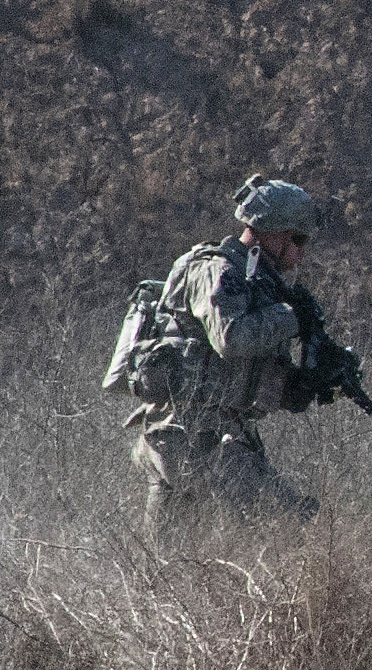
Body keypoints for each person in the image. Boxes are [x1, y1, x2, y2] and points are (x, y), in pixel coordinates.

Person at [126, 173, 328, 534]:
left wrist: (303, 384)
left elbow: (240, 375)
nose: (301, 252)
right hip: (188, 437)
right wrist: (292, 316)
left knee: (168, 569)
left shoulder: (260, 285)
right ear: (270, 232)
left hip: (212, 436)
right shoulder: (218, 270)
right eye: (297, 239)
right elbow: (231, 338)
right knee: (290, 525)